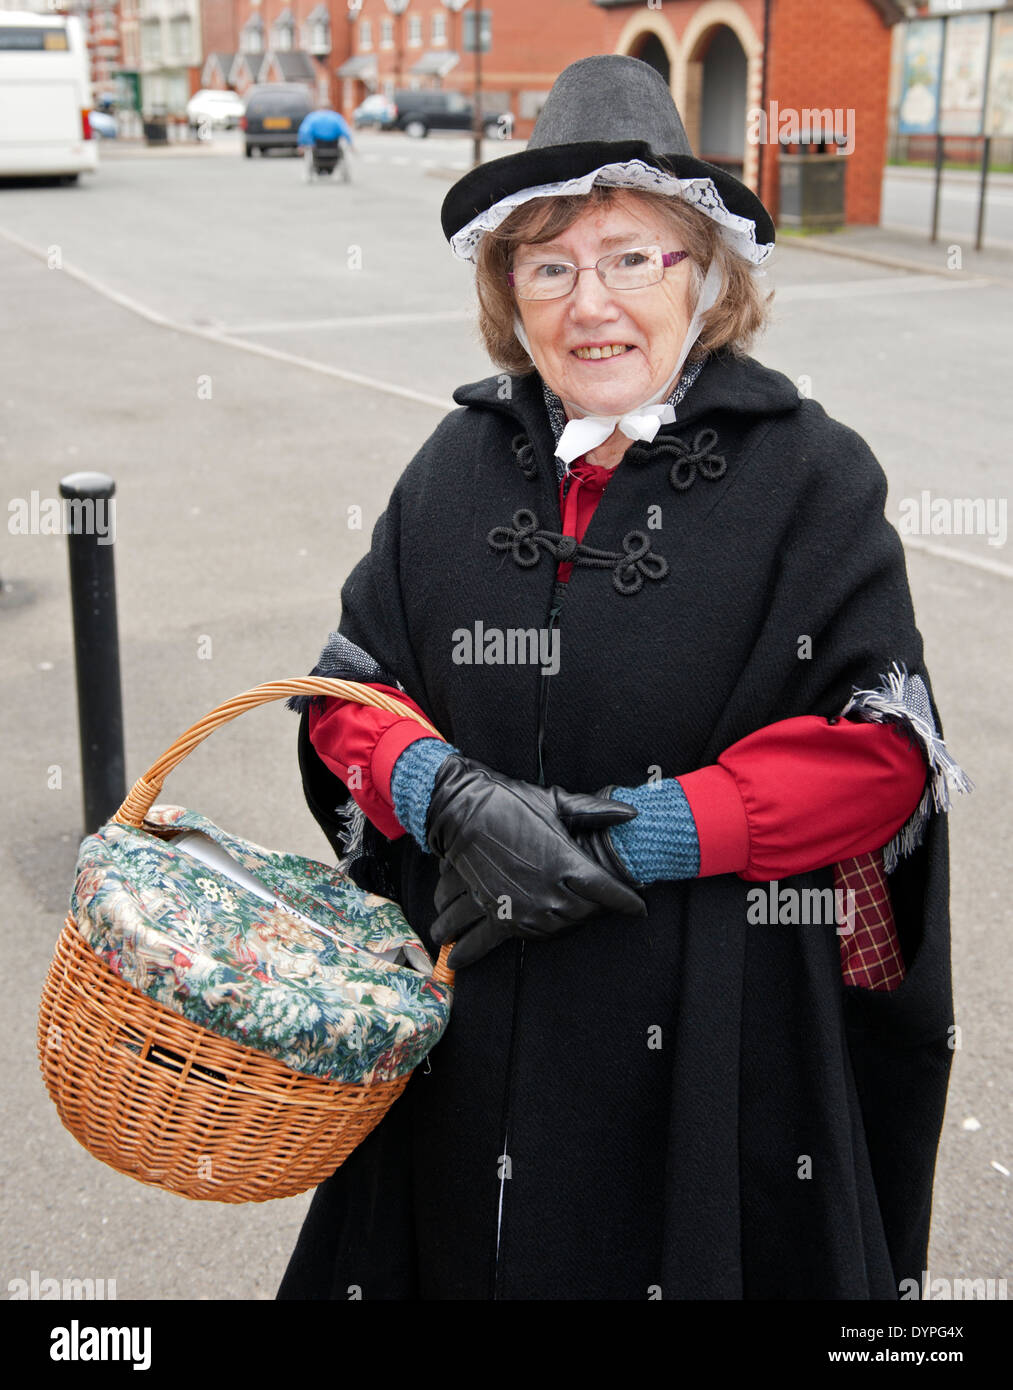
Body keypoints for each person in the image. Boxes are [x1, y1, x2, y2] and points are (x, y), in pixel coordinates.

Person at [277, 55, 970, 1301]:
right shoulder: (454, 463)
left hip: (713, 1030)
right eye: (549, 265)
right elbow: (346, 699)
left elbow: (876, 758)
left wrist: (640, 836)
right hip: (469, 1023)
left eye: (630, 256)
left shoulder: (811, 475)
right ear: (510, 290)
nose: (588, 302)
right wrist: (444, 795)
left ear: (702, 276)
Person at [296, 102, 354, 181]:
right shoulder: (336, 117)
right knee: (341, 150)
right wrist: (350, 144)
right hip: (333, 146)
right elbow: (345, 131)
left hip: (317, 146)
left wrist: (302, 144)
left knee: (310, 150)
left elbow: (304, 131)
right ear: (331, 108)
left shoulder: (312, 117)